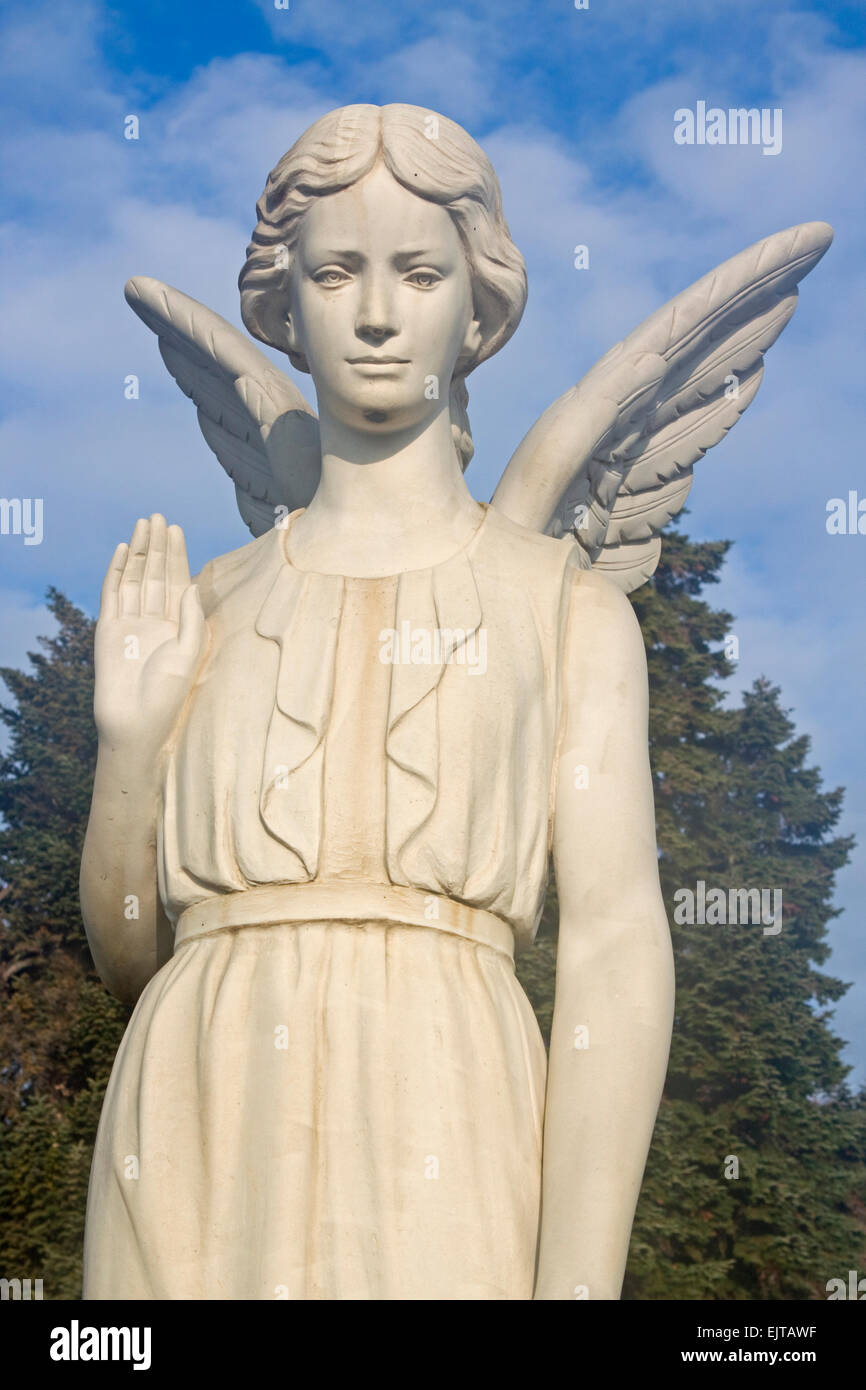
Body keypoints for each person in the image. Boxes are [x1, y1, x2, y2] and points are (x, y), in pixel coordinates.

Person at [80, 104, 674, 1300]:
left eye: (417, 270)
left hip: (440, 1102)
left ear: (477, 303)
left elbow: (612, 947)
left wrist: (576, 1286)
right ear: (284, 302)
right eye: (335, 268)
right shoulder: (213, 601)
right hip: (193, 1108)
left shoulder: (562, 608)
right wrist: (130, 749)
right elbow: (133, 955)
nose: (374, 311)